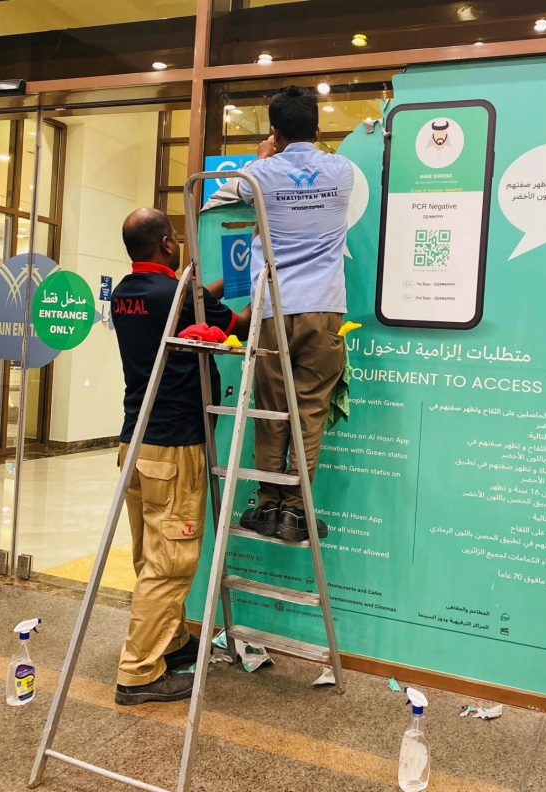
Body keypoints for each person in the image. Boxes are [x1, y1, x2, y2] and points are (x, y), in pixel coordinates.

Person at [111, 208, 249, 705]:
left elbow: (185, 306)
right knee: (170, 563)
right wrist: (261, 283)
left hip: (135, 443)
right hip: (174, 447)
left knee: (151, 554)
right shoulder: (177, 296)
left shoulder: (126, 294)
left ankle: (169, 641)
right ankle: (138, 673)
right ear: (168, 244)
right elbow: (238, 324)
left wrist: (216, 285)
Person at [221, 86, 353, 542]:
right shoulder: (342, 171)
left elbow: (235, 189)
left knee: (272, 409)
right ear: (317, 129)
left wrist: (263, 157)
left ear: (274, 133)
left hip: (273, 308)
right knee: (309, 410)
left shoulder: (258, 174)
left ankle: (268, 505)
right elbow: (320, 161)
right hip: (324, 307)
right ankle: (296, 512)